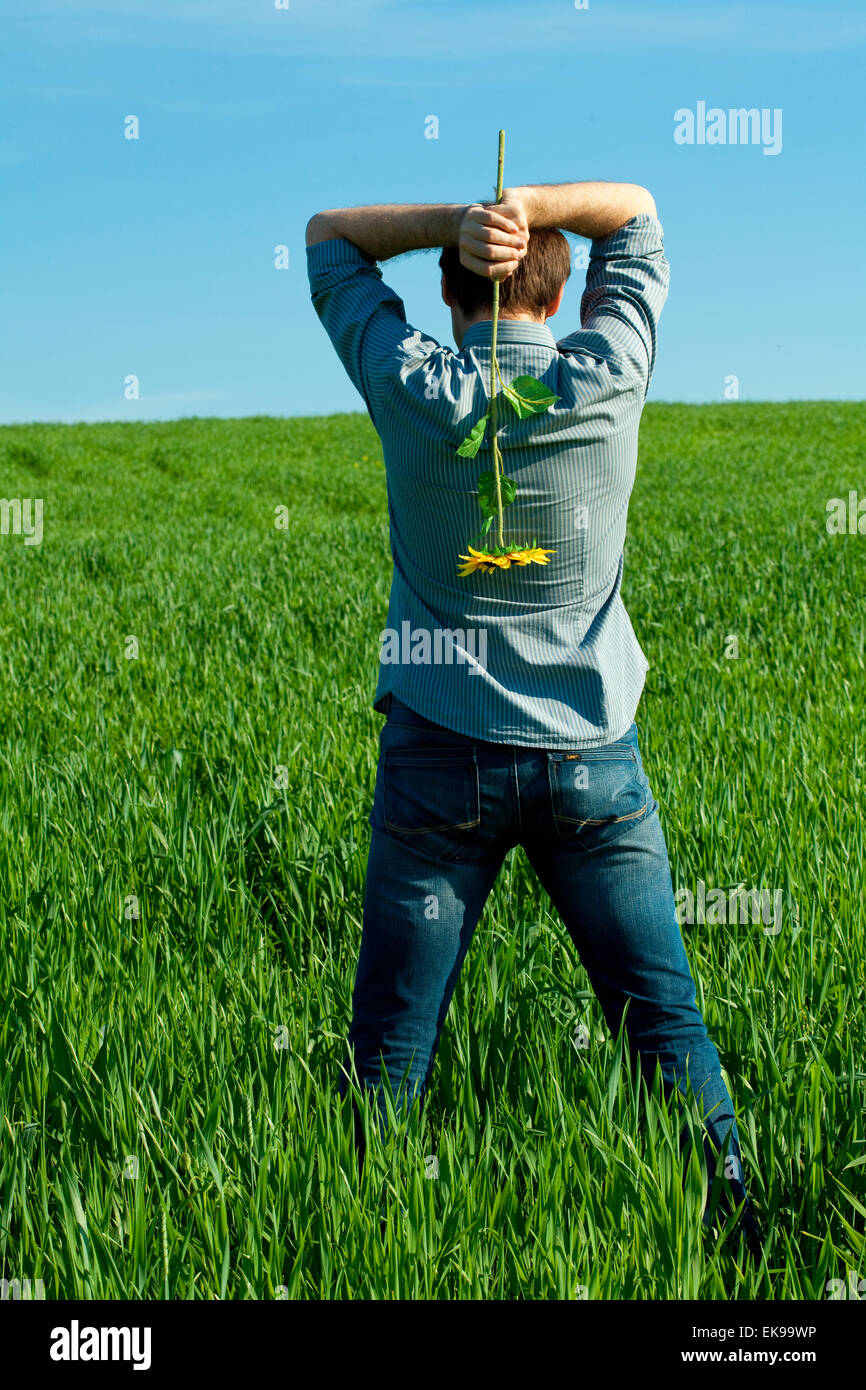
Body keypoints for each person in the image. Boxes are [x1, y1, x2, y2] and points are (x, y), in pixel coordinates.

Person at [305, 180, 764, 1263]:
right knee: (663, 1029)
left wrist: (454, 223)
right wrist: (536, 205)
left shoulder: (411, 385)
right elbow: (643, 212)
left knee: (389, 1057)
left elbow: (326, 240)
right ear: (558, 293)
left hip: (434, 763)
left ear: (451, 289)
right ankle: (745, 1242)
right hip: (590, 764)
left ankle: (349, 1259)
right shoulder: (604, 379)